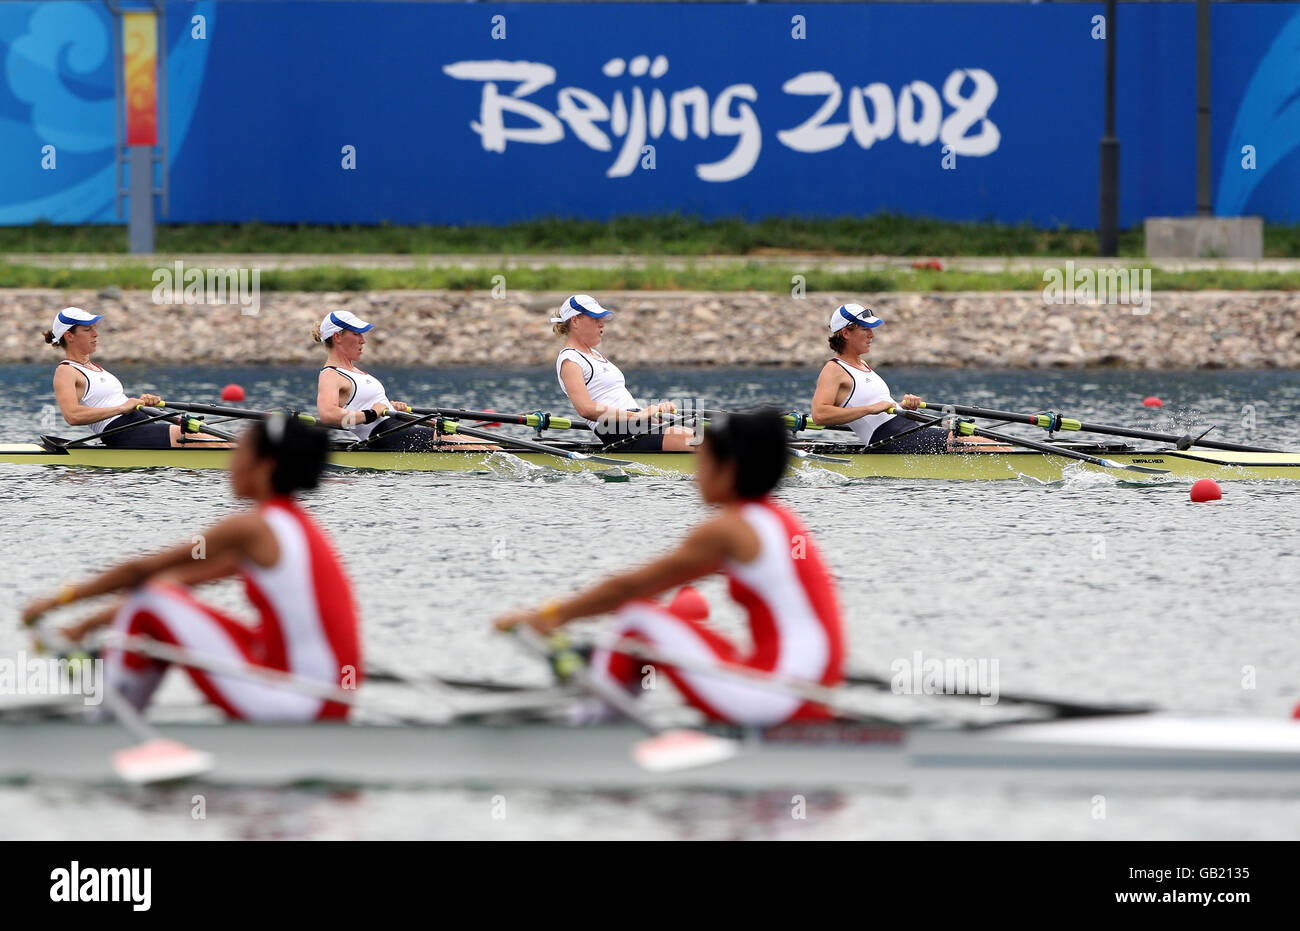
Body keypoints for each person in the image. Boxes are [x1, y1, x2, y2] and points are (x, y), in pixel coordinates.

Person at [495, 409, 844, 725]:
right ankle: (609, 706)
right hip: (807, 690)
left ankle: (588, 729)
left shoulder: (730, 529)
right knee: (671, 617)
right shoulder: (779, 519)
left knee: (636, 617)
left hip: (778, 698)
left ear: (728, 469)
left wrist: (548, 616)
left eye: (702, 465)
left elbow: (630, 588)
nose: (695, 478)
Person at [22, 414, 362, 721]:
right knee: (156, 597)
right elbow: (172, 581)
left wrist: (56, 601)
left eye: (240, 453)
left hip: (301, 702)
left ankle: (104, 724)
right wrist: (85, 625)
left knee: (152, 600)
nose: (231, 463)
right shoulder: (295, 525)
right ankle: (116, 707)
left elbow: (141, 572)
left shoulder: (252, 527)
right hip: (327, 698)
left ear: (265, 467)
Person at [810, 303, 998, 452]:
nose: (872, 335)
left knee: (988, 442)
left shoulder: (862, 365)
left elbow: (880, 408)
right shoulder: (833, 369)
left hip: (906, 431)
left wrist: (902, 406)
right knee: (980, 444)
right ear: (845, 333)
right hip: (887, 440)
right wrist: (869, 409)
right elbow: (820, 415)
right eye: (865, 329)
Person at [45, 307, 228, 449]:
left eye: (94, 328)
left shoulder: (95, 368)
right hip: (121, 432)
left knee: (219, 440)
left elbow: (116, 402)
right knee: (211, 442)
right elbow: (72, 416)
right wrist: (122, 408)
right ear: (69, 336)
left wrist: (143, 401)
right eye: (87, 330)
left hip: (140, 422)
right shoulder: (66, 371)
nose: (95, 334)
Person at [313, 311, 484, 450]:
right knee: (469, 445)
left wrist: (390, 407)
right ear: (337, 337)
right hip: (386, 438)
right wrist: (371, 414)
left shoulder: (355, 371)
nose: (363, 340)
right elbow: (329, 416)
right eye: (356, 334)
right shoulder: (331, 375)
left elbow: (370, 404)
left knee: (483, 442)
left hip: (400, 429)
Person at [553, 295, 694, 452]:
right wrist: (638, 416)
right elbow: (586, 409)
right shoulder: (570, 360)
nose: (602, 323)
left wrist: (654, 415)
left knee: (705, 435)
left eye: (601, 318)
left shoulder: (594, 355)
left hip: (634, 425)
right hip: (616, 429)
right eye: (595, 318)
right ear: (575, 321)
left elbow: (620, 402)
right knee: (701, 441)